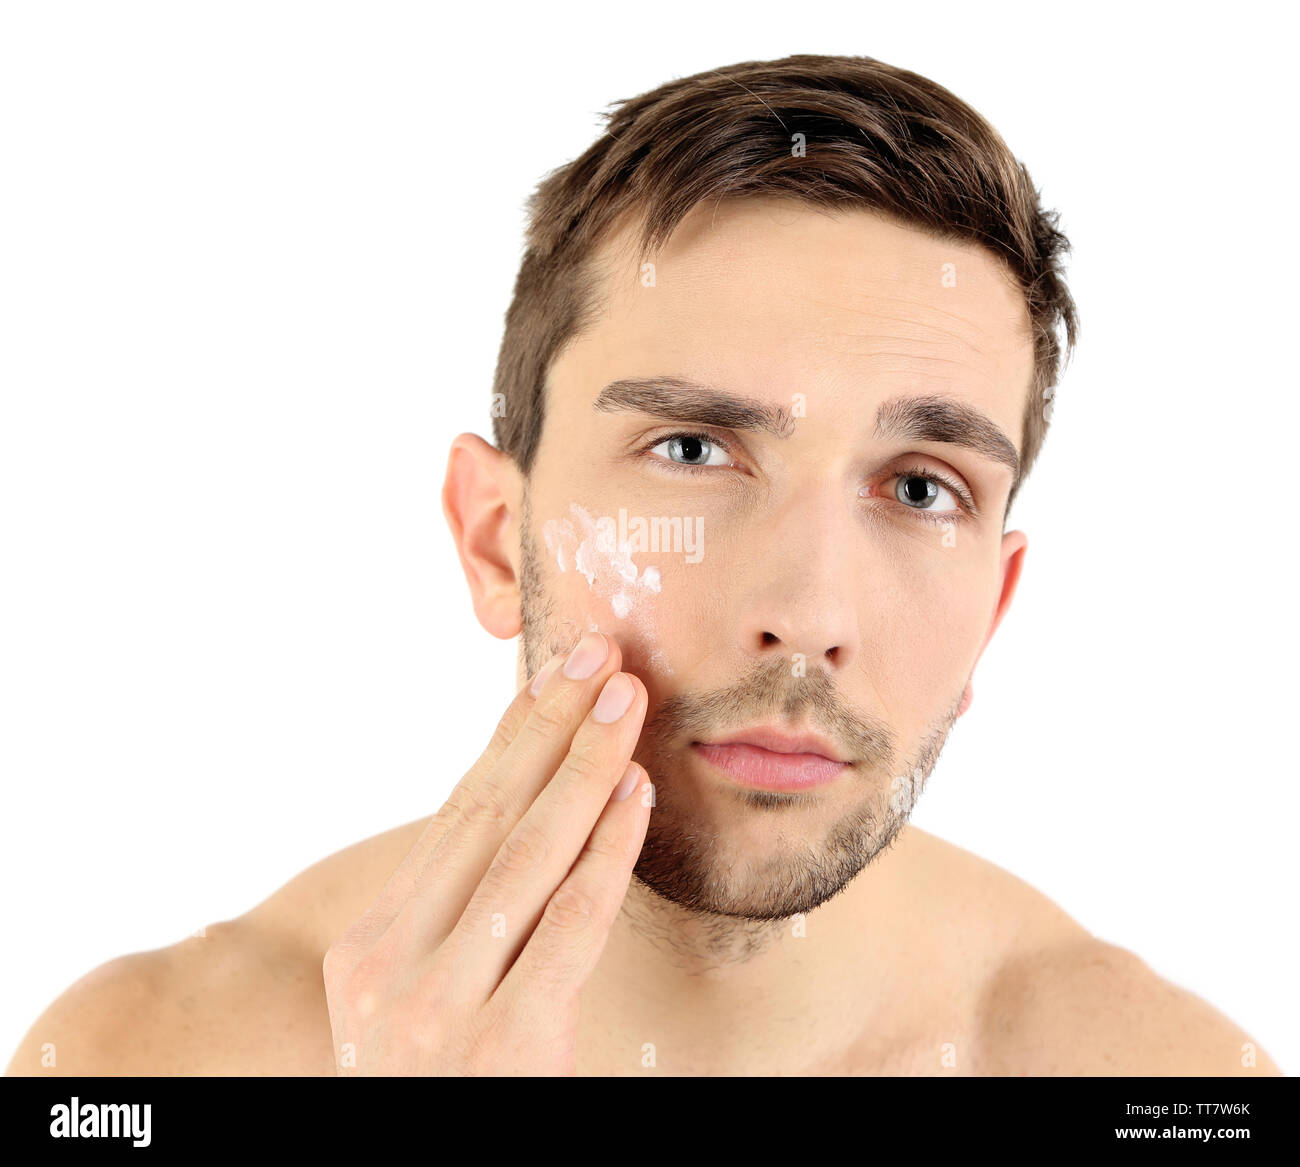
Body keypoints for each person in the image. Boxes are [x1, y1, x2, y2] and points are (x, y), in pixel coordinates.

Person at [6, 54, 1281, 1076]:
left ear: (991, 614)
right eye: (691, 447)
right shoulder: (144, 1066)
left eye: (917, 488)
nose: (809, 614)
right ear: (494, 537)